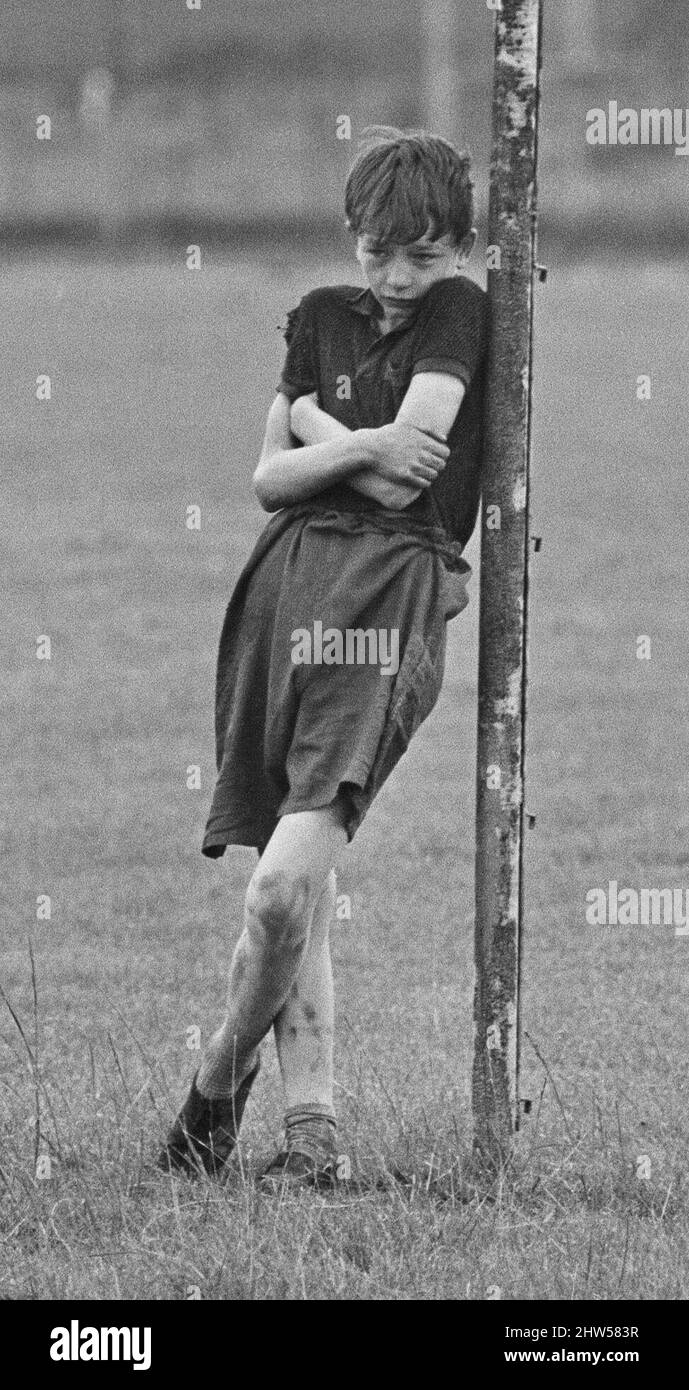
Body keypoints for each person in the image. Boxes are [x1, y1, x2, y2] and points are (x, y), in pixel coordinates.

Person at [158, 126, 488, 1188]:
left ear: (456, 250)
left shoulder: (459, 311)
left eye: (422, 256)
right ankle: (310, 1137)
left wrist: (315, 435)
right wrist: (328, 423)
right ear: (353, 240)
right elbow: (265, 480)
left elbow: (405, 482)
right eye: (377, 253)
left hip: (389, 596)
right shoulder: (314, 317)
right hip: (281, 587)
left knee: (279, 889)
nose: (396, 281)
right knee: (293, 883)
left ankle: (214, 1083)